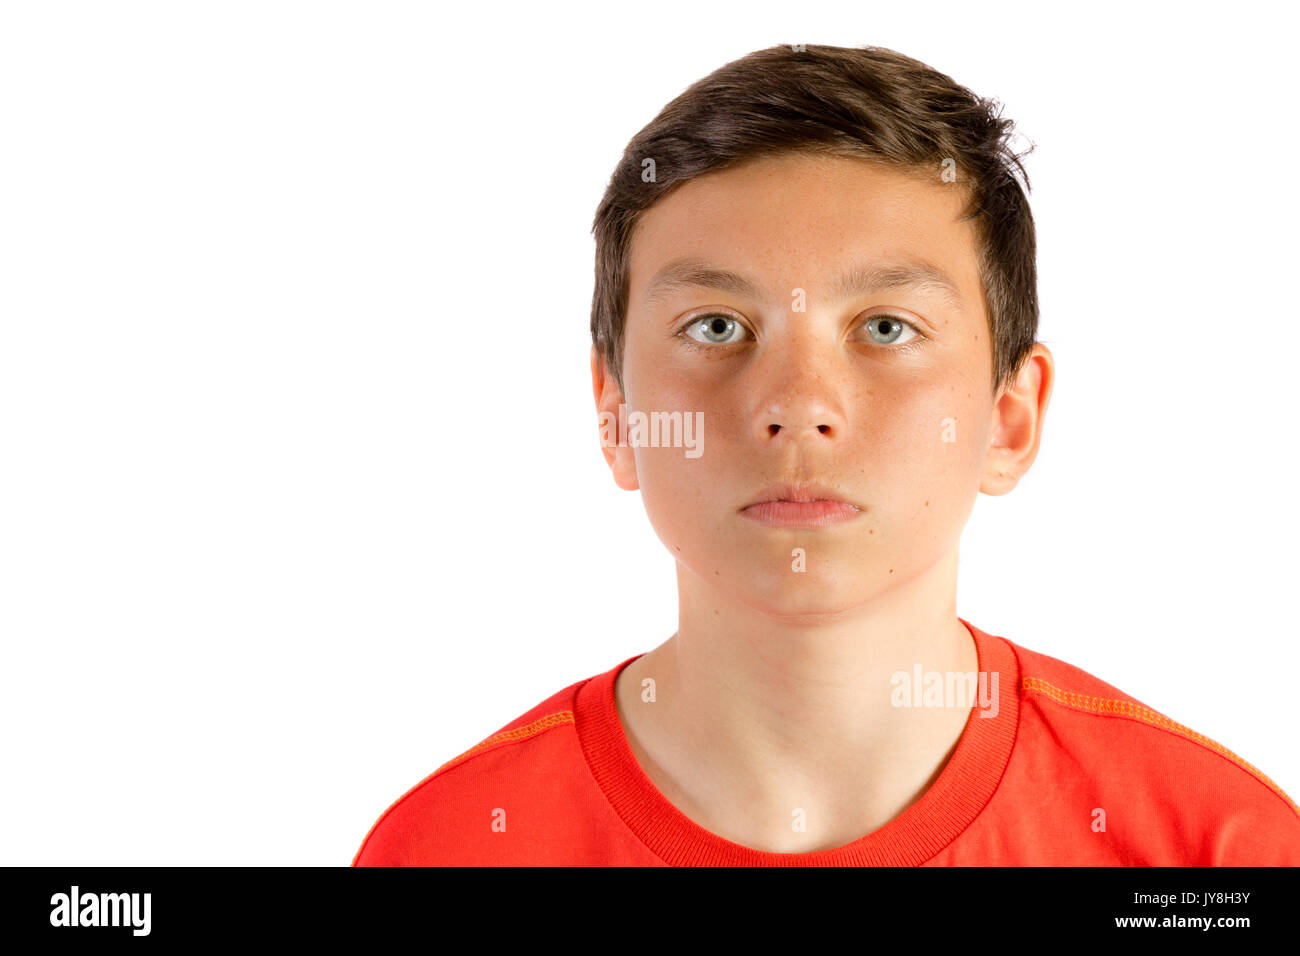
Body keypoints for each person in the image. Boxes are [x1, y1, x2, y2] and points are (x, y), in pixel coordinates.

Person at [352, 43, 1300, 865]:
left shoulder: (1213, 854)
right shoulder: (449, 847)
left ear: (1010, 417)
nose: (798, 406)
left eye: (886, 326)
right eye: (717, 324)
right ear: (616, 412)